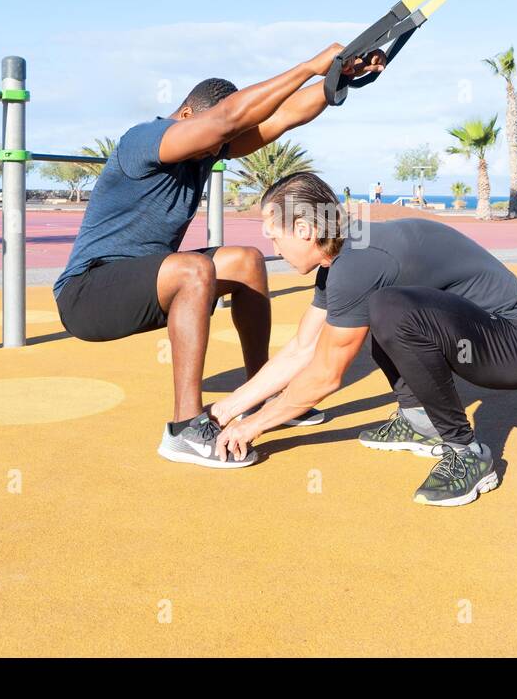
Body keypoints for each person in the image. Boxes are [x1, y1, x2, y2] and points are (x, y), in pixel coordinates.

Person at [54, 46, 384, 468]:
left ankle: (259, 393)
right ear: (188, 116)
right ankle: (185, 428)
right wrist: (307, 65)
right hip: (87, 295)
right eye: (212, 140)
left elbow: (283, 117)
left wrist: (338, 79)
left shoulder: (204, 152)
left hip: (146, 281)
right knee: (196, 269)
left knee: (246, 260)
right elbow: (227, 119)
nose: (215, 152)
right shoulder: (142, 141)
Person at [206, 173, 517, 507]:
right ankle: (419, 421)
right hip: (482, 335)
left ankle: (467, 453)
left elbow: (326, 375)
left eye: (274, 237)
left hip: (516, 348)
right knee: (380, 309)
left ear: (303, 230)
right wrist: (225, 410)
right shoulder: (340, 257)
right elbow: (302, 348)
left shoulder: (358, 265)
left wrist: (253, 426)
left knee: (387, 309)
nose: (275, 249)